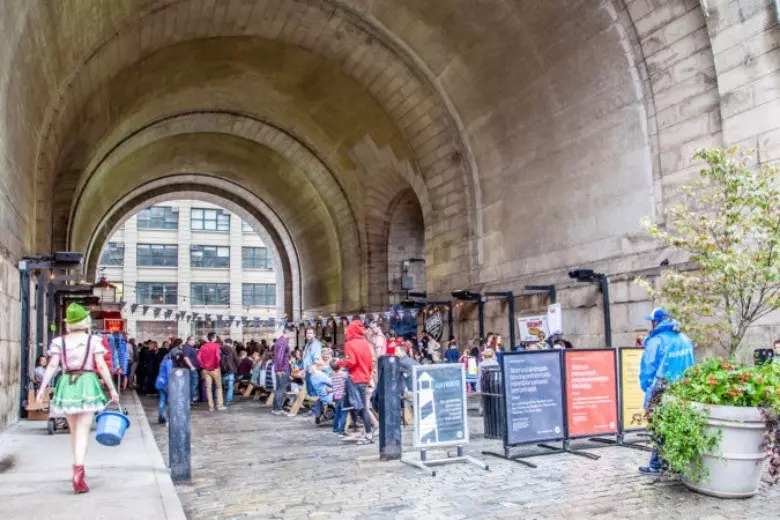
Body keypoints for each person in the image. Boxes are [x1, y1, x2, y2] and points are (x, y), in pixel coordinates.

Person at [35, 303, 119, 494]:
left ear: (69, 323)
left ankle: (77, 466)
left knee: (74, 431)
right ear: (85, 321)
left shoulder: (59, 342)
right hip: (87, 382)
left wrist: (41, 388)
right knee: (83, 431)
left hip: (67, 383)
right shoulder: (94, 341)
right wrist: (112, 389)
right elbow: (102, 366)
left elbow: (52, 366)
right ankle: (79, 472)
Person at [638, 308, 695, 475]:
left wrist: (648, 389)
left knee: (658, 427)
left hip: (660, 391)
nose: (651, 324)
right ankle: (676, 465)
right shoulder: (685, 339)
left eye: (652, 321)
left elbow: (647, 370)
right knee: (677, 426)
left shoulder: (657, 341)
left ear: (657, 322)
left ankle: (657, 465)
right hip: (683, 390)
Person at [338, 320, 375, 444]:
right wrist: (368, 377)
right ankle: (365, 433)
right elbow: (370, 363)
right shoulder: (365, 343)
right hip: (364, 378)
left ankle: (364, 433)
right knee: (362, 407)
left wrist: (339, 363)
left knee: (354, 406)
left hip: (354, 378)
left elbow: (351, 362)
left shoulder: (349, 343)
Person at [197, 332, 225, 411]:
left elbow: (198, 357)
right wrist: (215, 365)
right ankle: (219, 405)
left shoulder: (203, 346)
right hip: (215, 369)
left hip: (205, 369)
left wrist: (203, 365)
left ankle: (211, 406)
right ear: (213, 338)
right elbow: (218, 357)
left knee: (208, 388)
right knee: (219, 387)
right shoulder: (217, 346)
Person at [271, 327, 293, 415]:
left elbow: (277, 356)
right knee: (281, 389)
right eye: (291, 333)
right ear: (288, 333)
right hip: (283, 368)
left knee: (278, 388)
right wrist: (280, 369)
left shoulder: (279, 341)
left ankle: (275, 408)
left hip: (279, 368)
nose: (291, 336)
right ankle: (278, 409)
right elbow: (279, 357)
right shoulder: (283, 342)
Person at [301, 327, 323, 403]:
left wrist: (312, 370)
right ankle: (312, 411)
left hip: (313, 371)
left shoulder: (316, 344)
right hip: (308, 370)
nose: (308, 335)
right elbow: (307, 358)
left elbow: (316, 359)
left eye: (310, 333)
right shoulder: (308, 343)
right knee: (310, 391)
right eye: (307, 333)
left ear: (314, 334)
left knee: (313, 392)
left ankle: (314, 412)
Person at [476, 348, 499, 415]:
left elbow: (479, 377)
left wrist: (478, 387)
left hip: (484, 384)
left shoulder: (481, 364)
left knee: (483, 398)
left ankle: (482, 410)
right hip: (493, 384)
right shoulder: (495, 363)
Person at [330, 360, 347, 436]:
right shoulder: (343, 374)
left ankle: (335, 428)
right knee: (344, 413)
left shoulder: (332, 374)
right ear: (340, 366)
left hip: (336, 395)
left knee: (337, 412)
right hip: (343, 395)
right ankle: (341, 430)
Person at [220, 339, 240, 407]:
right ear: (231, 344)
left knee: (220, 387)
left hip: (222, 371)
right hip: (231, 371)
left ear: (225, 343)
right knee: (230, 387)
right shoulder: (233, 350)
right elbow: (237, 361)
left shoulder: (220, 350)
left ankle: (219, 401)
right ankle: (228, 402)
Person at [182, 336, 200, 404]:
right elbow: (186, 357)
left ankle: (190, 399)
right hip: (191, 369)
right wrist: (191, 366)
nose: (194, 341)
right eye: (193, 340)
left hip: (192, 368)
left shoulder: (190, 347)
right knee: (193, 384)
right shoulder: (187, 347)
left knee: (192, 384)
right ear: (189, 341)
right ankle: (190, 400)